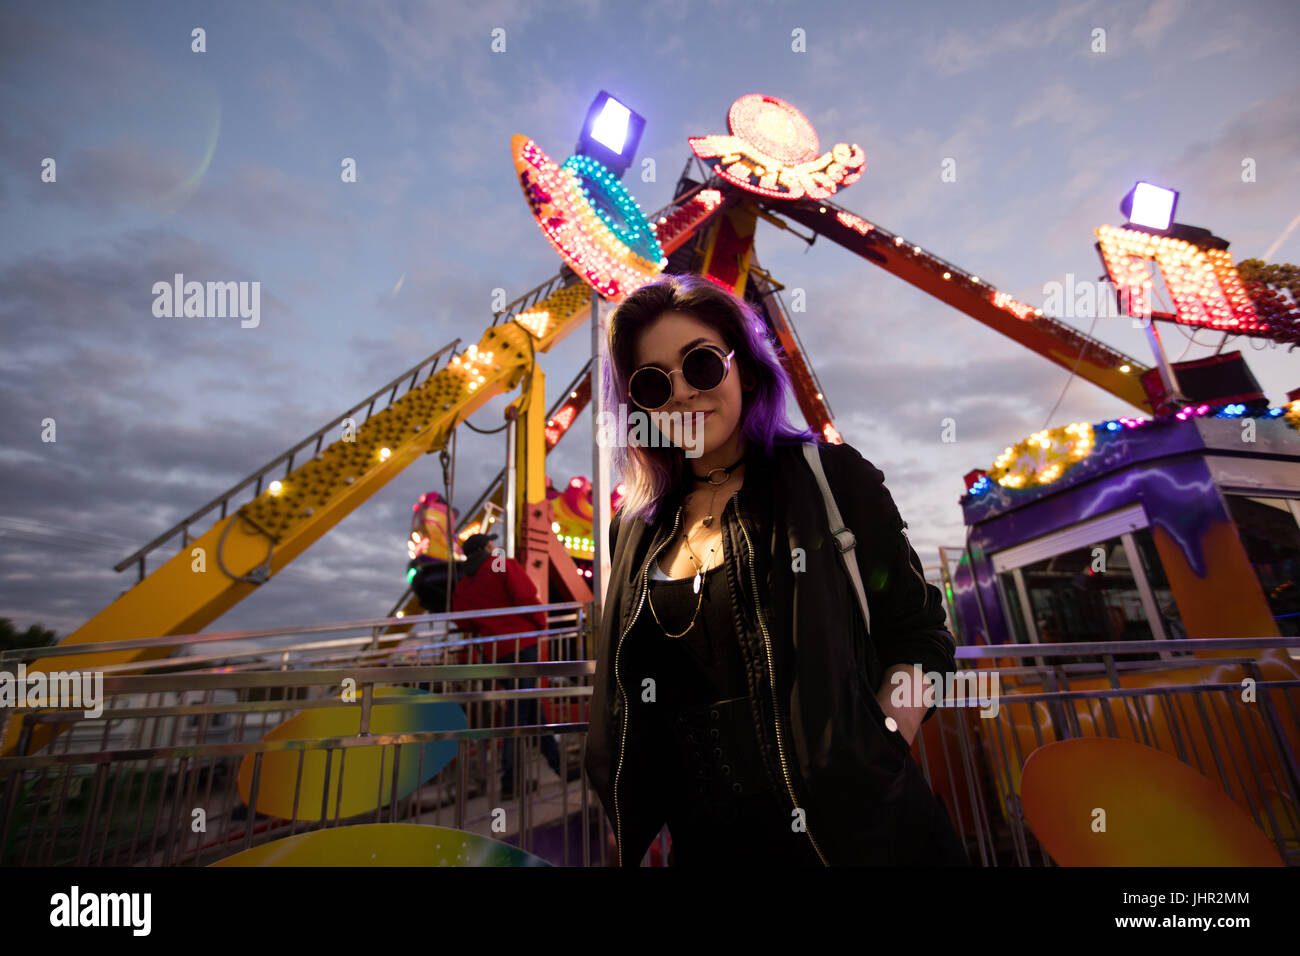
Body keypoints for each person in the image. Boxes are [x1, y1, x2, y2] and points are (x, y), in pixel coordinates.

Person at [583, 273, 971, 867]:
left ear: (746, 368)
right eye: (655, 382)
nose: (684, 393)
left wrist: (883, 743)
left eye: (702, 365)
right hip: (708, 841)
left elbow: (922, 638)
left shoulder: (831, 481)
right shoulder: (633, 528)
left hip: (850, 833)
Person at [451, 532, 565, 797]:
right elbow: (525, 593)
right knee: (520, 710)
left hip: (495, 650)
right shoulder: (499, 564)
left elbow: (462, 621)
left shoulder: (464, 581)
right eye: (490, 543)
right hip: (520, 643)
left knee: (529, 705)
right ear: (486, 547)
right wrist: (539, 622)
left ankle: (558, 764)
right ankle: (510, 782)